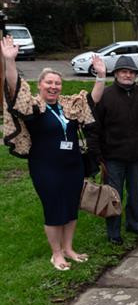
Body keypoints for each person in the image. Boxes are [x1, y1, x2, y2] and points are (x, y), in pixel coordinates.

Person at [2, 35, 107, 271]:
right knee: (53, 207)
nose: (53, 87)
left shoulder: (68, 105)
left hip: (72, 165)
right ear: (40, 85)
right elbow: (14, 88)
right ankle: (56, 253)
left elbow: (91, 102)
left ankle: (69, 248)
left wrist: (101, 75)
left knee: (70, 206)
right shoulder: (33, 106)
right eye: (48, 83)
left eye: (57, 83)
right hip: (45, 167)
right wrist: (9, 61)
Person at [87, 55, 138, 245]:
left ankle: (135, 224)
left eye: (131, 72)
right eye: (124, 72)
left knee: (135, 191)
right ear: (116, 74)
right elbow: (93, 126)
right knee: (114, 194)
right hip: (113, 155)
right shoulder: (105, 95)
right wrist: (97, 154)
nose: (128, 75)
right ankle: (113, 231)